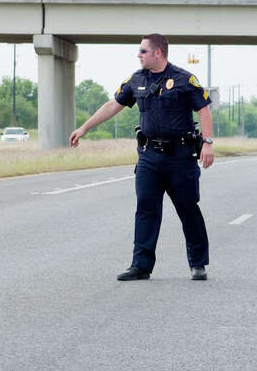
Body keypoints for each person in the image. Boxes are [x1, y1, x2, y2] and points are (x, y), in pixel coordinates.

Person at [70, 33, 214, 282]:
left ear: (158, 52)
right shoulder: (136, 80)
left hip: (180, 157)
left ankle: (198, 263)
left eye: (143, 51)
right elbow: (112, 105)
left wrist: (208, 143)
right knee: (146, 210)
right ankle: (141, 266)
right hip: (149, 156)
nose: (138, 55)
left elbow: (203, 109)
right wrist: (84, 128)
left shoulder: (184, 79)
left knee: (188, 208)